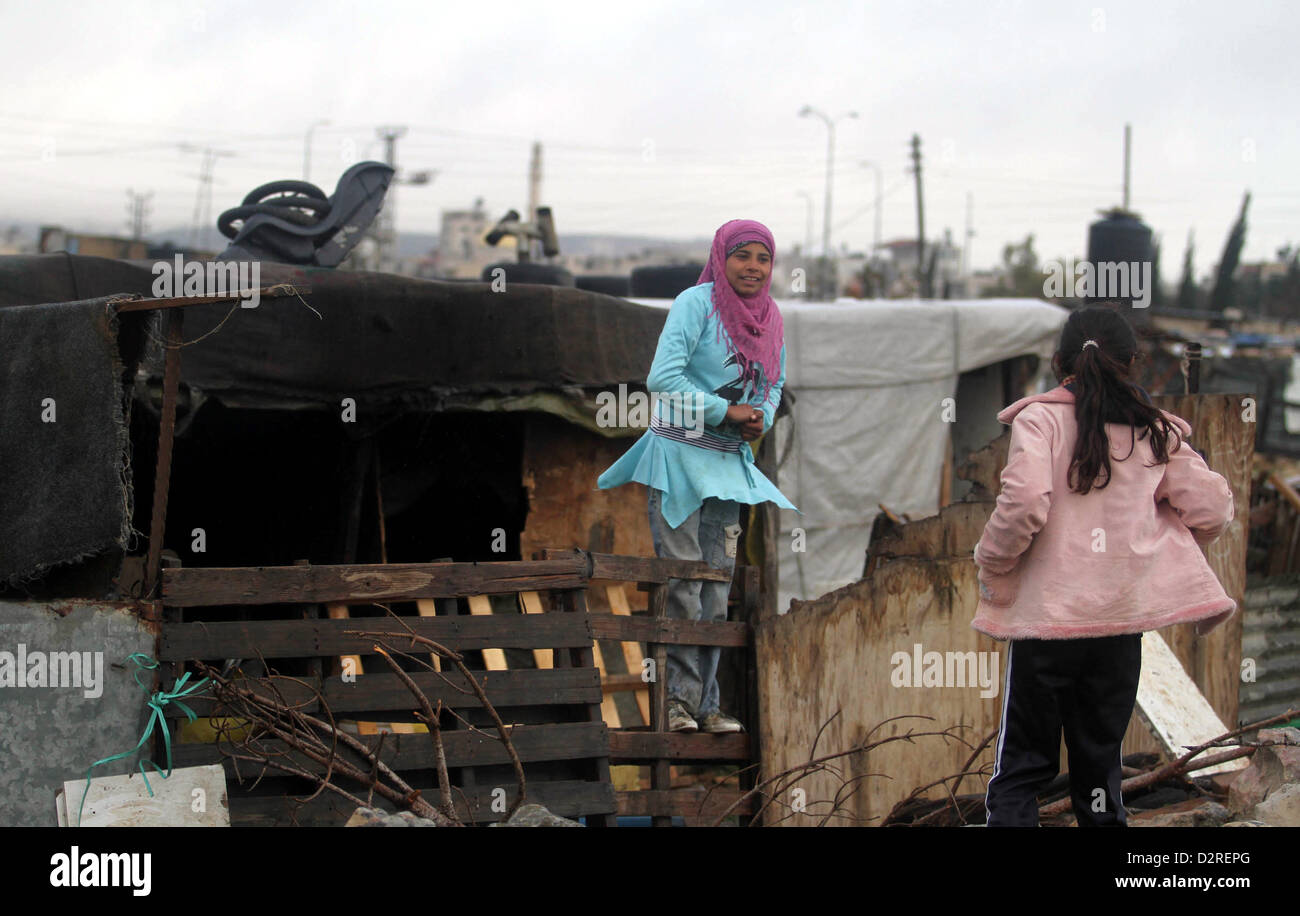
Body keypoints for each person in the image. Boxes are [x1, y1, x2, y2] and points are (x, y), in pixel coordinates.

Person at [972, 306, 1236, 826]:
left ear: (1058, 361)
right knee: (1099, 767)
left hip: (1048, 625)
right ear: (1133, 362)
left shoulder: (1040, 419)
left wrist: (992, 559)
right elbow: (1212, 509)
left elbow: (1025, 502)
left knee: (1023, 765)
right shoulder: (1153, 429)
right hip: (1118, 624)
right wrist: (1165, 540)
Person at [597, 219, 796, 734]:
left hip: (727, 469)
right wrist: (726, 413)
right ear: (721, 257)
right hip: (681, 460)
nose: (753, 267)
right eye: (743, 256)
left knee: (716, 590)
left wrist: (762, 417)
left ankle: (705, 705)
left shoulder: (772, 317)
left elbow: (773, 383)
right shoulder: (696, 303)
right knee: (684, 583)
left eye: (763, 259)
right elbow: (662, 380)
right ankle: (675, 704)